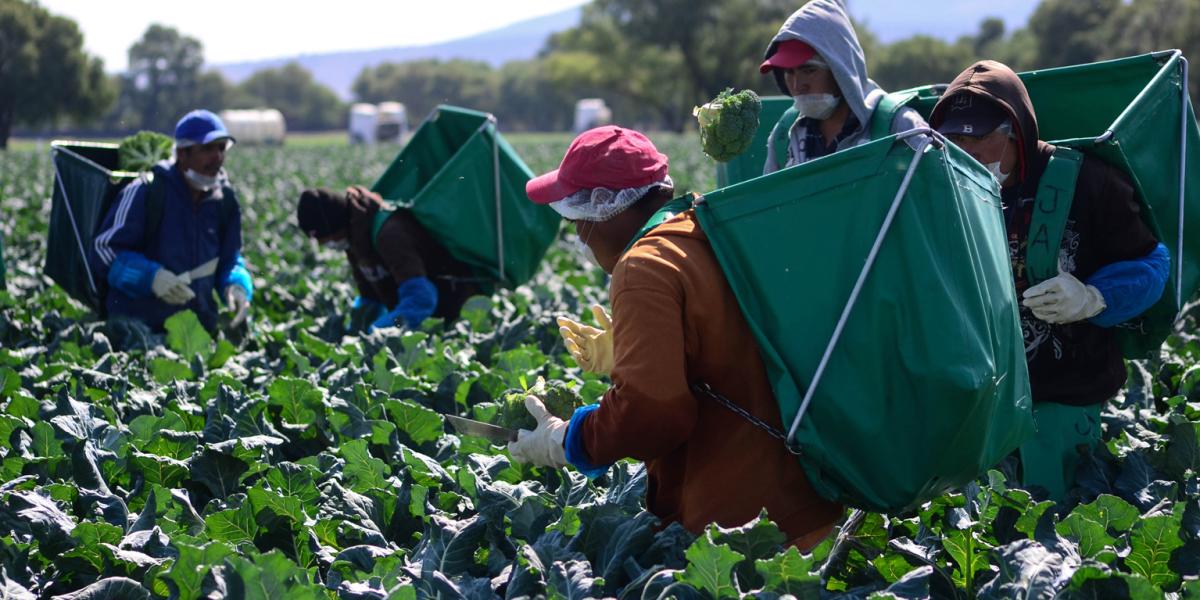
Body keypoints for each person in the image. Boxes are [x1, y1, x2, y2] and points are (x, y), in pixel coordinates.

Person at [508, 126, 844, 548]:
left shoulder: (642, 267)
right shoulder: (705, 230)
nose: (575, 231)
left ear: (605, 205)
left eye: (576, 214)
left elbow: (654, 412)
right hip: (807, 497)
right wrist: (634, 358)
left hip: (741, 525)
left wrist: (569, 439)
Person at [929, 60, 1171, 501]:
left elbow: (1152, 264)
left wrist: (1093, 297)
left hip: (1067, 393)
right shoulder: (945, 189)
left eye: (977, 138)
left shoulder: (1088, 181)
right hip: (983, 406)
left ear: (1016, 130)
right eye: (954, 139)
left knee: (1059, 531)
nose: (966, 152)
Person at [90, 110, 253, 338]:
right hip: (138, 330)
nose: (217, 157)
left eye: (221, 148)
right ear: (182, 154)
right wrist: (151, 277)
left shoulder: (224, 201)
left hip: (196, 331)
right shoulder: (146, 191)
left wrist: (236, 285)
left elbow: (229, 259)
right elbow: (104, 250)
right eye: (207, 149)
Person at [760, 0, 925, 173]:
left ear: (841, 69)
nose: (797, 85)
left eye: (809, 70)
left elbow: (936, 190)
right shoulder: (785, 135)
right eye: (789, 73)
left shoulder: (899, 126)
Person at [296, 186, 478, 332]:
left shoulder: (389, 235)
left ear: (335, 228)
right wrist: (354, 330)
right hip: (422, 321)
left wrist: (386, 329)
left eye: (324, 239)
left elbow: (421, 299)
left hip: (454, 316)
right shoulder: (353, 240)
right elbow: (370, 298)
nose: (324, 245)